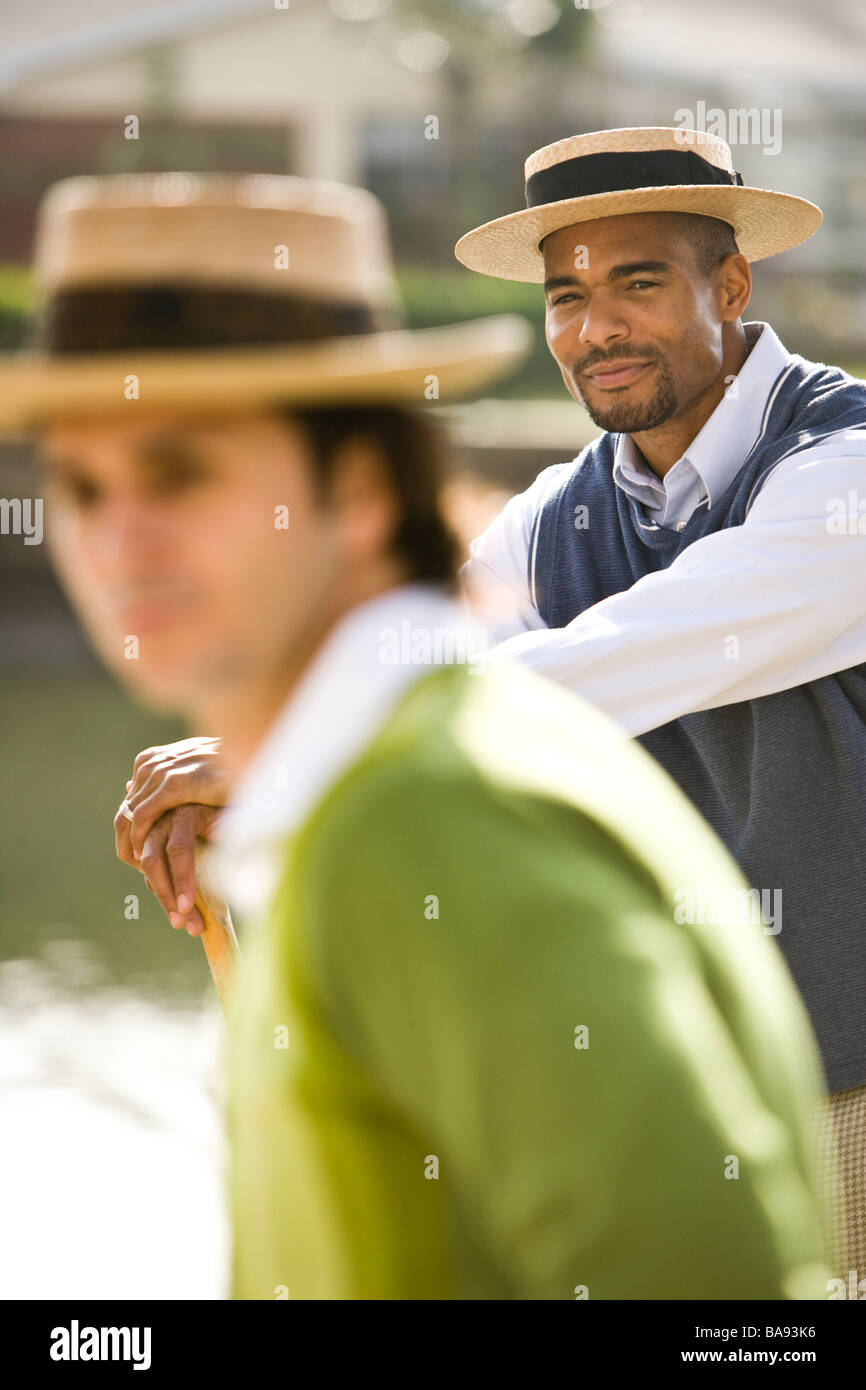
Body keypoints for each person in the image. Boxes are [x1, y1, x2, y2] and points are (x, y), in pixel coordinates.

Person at [6, 171, 832, 1299]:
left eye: (181, 472)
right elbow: (443, 624)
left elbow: (650, 647)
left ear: (354, 491)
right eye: (82, 490)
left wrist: (284, 754)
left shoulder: (435, 815)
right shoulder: (532, 556)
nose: (121, 545)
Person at [455, 125, 866, 1278]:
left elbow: (634, 653)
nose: (595, 330)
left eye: (635, 283)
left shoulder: (847, 469)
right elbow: (415, 669)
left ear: (728, 285)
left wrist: (309, 736)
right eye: (564, 295)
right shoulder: (548, 515)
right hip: (668, 1078)